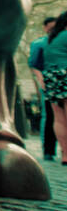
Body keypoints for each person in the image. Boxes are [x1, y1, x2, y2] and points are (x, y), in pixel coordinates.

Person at [29, 17, 58, 161]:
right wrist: (41, 80)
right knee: (49, 117)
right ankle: (48, 150)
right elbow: (34, 64)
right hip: (47, 83)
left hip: (61, 81)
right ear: (45, 28)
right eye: (51, 27)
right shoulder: (39, 43)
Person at [41, 12, 67, 164]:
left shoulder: (49, 39)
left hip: (50, 76)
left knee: (58, 118)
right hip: (65, 72)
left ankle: (65, 155)